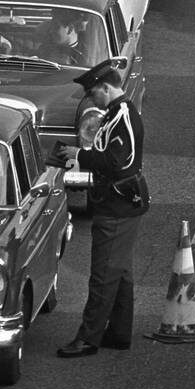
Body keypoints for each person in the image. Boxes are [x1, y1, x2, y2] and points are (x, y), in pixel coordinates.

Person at [56, 61, 149, 357]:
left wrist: (80, 155)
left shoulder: (123, 116)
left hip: (117, 205)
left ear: (107, 88)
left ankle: (88, 338)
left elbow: (118, 162)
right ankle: (119, 332)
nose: (91, 99)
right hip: (116, 202)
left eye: (93, 92)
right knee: (120, 272)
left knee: (102, 275)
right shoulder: (114, 113)